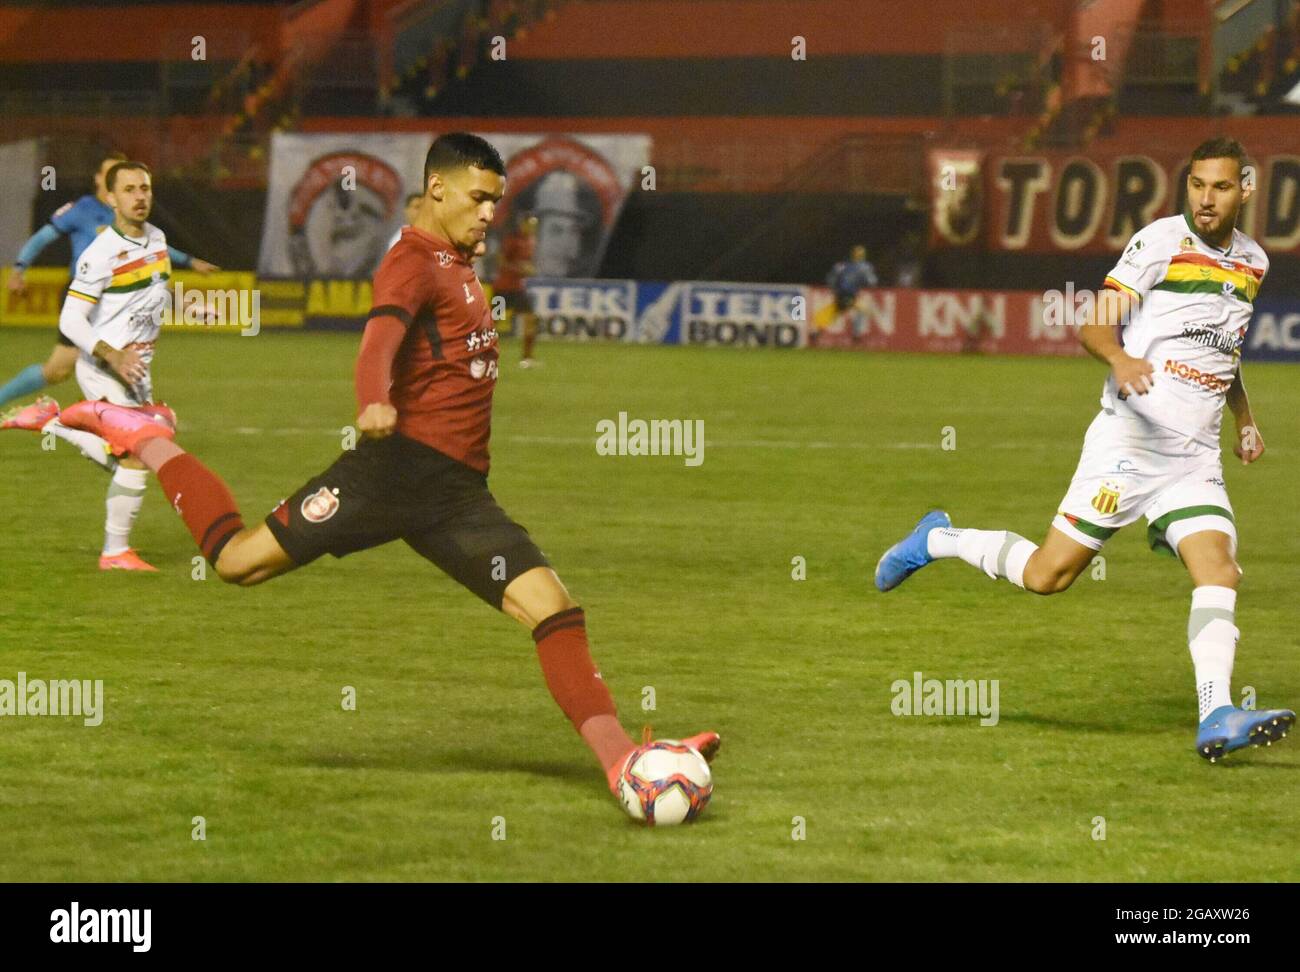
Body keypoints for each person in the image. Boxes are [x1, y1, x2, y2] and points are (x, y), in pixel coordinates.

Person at [58, 133, 720, 803]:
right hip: (394, 473)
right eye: (479, 198)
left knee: (556, 611)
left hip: (456, 493)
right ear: (438, 190)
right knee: (236, 562)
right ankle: (142, 435)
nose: (491, 211)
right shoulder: (410, 258)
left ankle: (625, 766)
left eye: (496, 200)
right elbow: (379, 339)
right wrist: (373, 399)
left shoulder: (457, 259)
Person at [873, 138, 1294, 763]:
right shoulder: (1159, 244)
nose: (1206, 200)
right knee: (1050, 576)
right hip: (1129, 444)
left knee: (1220, 571)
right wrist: (1121, 358)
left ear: (1246, 190)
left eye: (1221, 187)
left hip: (1193, 458)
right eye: (1198, 185)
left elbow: (1222, 349)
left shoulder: (1253, 262)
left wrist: (1245, 417)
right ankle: (938, 539)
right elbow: (1094, 322)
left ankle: (1216, 714)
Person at [2, 161, 178, 571]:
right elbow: (70, 321)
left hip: (136, 370)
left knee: (140, 450)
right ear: (111, 199)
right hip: (105, 368)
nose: (140, 197)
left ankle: (51, 422)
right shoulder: (100, 253)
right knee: (140, 453)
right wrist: (113, 354)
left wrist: (190, 306)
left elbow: (150, 299)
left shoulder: (157, 238)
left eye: (145, 188)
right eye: (130, 190)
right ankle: (115, 553)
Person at [0, 152, 217, 409]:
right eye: (115, 175)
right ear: (100, 178)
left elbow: (152, 257)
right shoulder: (82, 209)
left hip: (122, 296)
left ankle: (111, 431)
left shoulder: (135, 219)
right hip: (87, 297)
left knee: (112, 374)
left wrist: (189, 269)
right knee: (61, 370)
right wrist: (19, 268)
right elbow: (42, 238)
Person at [495, 212, 539, 367]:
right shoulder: (512, 239)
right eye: (530, 224)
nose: (533, 227)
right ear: (523, 224)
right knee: (493, 323)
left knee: (530, 320)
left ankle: (527, 358)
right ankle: (480, 354)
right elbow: (501, 261)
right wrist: (520, 269)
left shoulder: (531, 240)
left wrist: (528, 269)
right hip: (502, 289)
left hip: (518, 290)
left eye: (534, 224)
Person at [825, 244, 878, 341]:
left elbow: (830, 279)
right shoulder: (863, 267)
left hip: (841, 295)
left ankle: (815, 331)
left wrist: (834, 289)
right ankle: (856, 334)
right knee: (863, 309)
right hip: (848, 296)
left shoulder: (842, 265)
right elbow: (872, 282)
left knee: (833, 311)